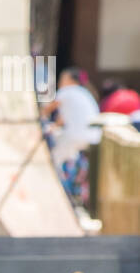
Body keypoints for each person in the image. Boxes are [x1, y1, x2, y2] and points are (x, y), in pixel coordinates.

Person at [42, 67, 100, 206]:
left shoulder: (67, 91)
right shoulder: (84, 93)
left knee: (53, 160)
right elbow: (63, 119)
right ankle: (73, 191)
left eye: (62, 78)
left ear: (70, 80)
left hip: (76, 136)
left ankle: (59, 194)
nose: (60, 82)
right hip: (93, 137)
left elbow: (47, 109)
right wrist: (54, 126)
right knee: (68, 157)